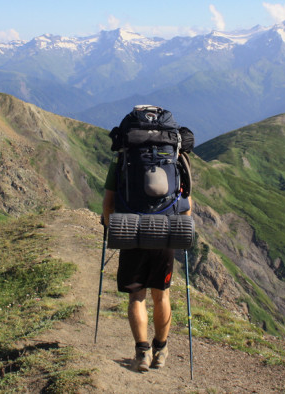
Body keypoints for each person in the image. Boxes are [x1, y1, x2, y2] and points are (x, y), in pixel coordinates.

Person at [102, 106, 194, 372]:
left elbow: (108, 204)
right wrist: (179, 229)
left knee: (137, 296)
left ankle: (142, 352)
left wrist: (111, 227)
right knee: (162, 295)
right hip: (166, 231)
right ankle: (161, 350)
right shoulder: (177, 157)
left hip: (131, 229)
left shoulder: (122, 158)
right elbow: (187, 204)